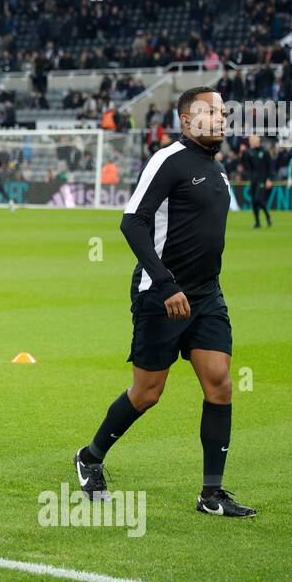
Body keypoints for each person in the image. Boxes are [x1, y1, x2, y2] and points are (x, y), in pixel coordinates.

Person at [73, 87, 255, 518]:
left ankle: (211, 494)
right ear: (188, 121)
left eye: (224, 111)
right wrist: (166, 282)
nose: (222, 117)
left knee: (220, 383)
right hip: (161, 294)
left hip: (207, 296)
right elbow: (132, 222)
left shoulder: (217, 170)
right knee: (148, 392)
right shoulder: (167, 160)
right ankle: (90, 456)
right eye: (211, 112)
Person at [245, 133, 273, 228]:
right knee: (253, 201)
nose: (252, 142)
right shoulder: (249, 152)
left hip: (262, 179)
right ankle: (257, 222)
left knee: (258, 199)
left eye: (254, 141)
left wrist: (269, 179)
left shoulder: (265, 152)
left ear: (258, 141)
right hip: (254, 180)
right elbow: (248, 167)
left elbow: (270, 167)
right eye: (251, 141)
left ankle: (268, 216)